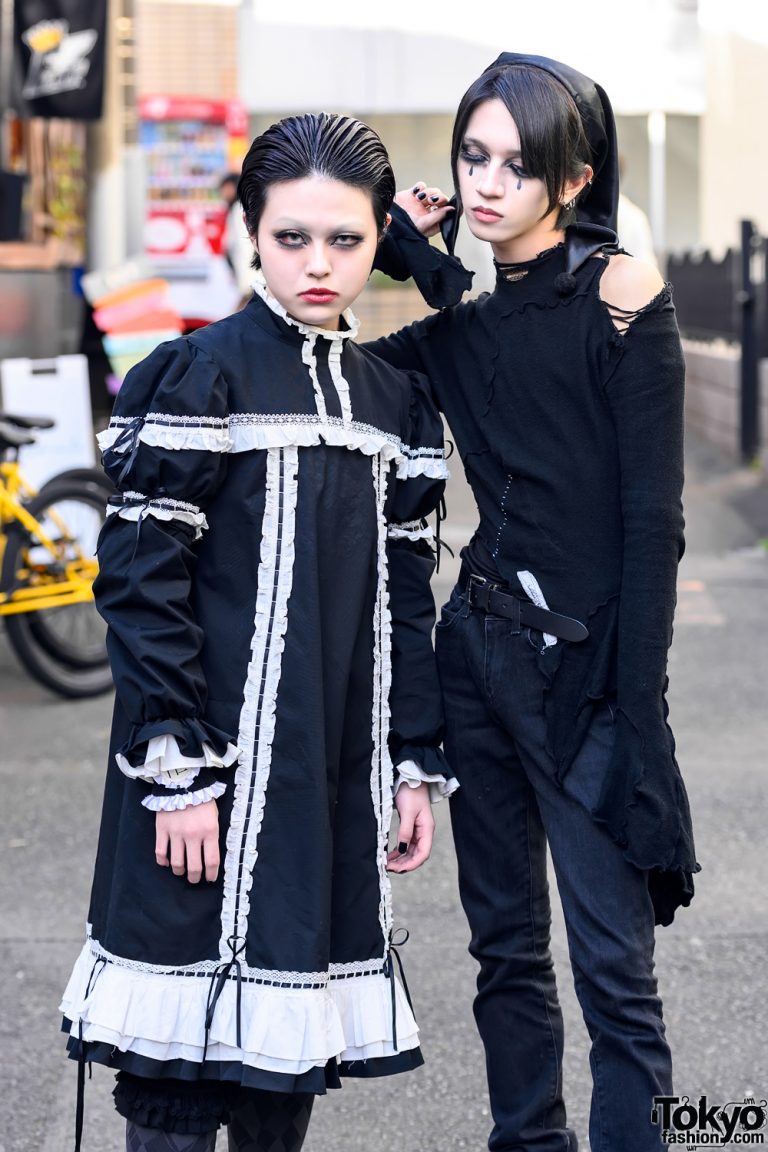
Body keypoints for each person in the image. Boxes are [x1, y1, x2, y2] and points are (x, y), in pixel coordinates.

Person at [60, 112, 455, 1152]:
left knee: (283, 1078)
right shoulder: (201, 375)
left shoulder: (396, 405)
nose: (319, 264)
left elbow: (404, 604)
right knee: (175, 1083)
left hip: (322, 785)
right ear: (251, 234)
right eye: (292, 237)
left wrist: (410, 766)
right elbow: (141, 584)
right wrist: (180, 776)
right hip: (199, 781)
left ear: (379, 240)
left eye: (346, 239)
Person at [365, 53, 699, 1152]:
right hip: (476, 661)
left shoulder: (621, 295)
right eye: (474, 156)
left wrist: (636, 715)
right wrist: (395, 248)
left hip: (587, 678)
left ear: (574, 177)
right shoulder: (462, 328)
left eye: (518, 163)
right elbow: (335, 372)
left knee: (615, 973)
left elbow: (653, 528)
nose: (490, 181)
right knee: (504, 955)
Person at [219, 171, 256, 302]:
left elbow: (243, 245)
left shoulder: (239, 208)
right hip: (246, 273)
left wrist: (245, 276)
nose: (224, 193)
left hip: (249, 274)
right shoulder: (240, 207)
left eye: (227, 188)